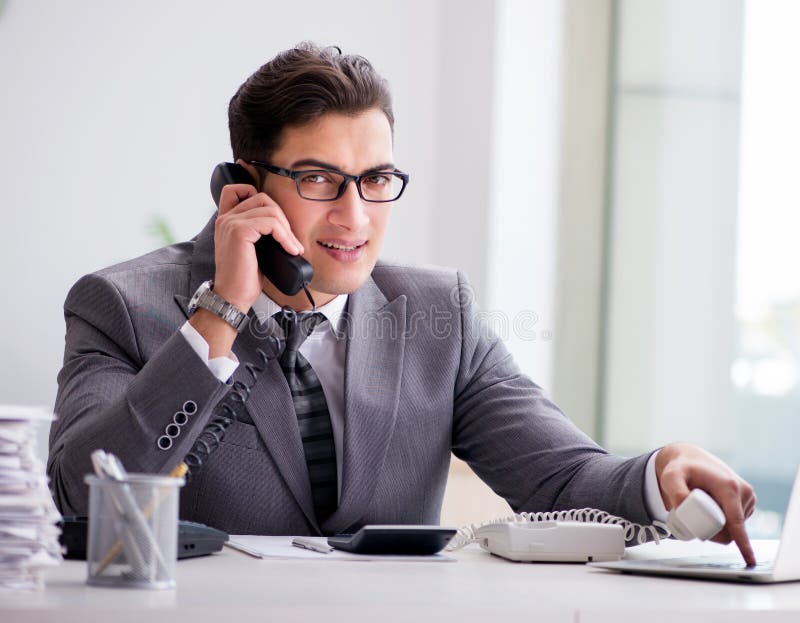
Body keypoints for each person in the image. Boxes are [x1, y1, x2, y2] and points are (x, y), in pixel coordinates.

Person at [47, 42, 756, 564]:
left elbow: (562, 476)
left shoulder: (437, 312)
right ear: (243, 185)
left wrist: (661, 475)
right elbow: (84, 494)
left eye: (377, 177)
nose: (355, 216)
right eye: (320, 179)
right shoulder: (123, 305)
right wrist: (220, 318)